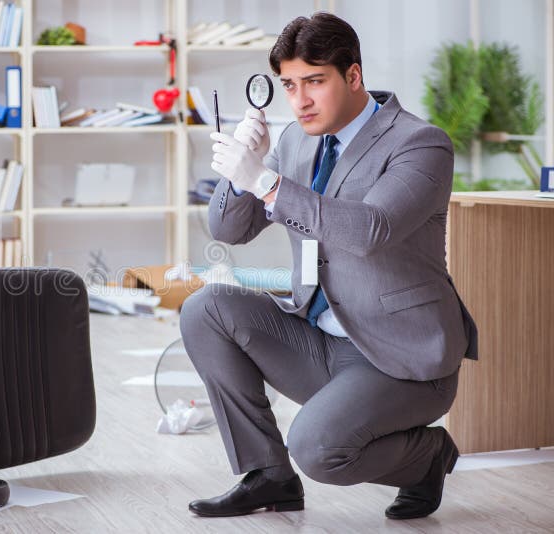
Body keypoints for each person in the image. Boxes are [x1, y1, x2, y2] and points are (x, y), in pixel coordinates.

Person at [180, 12, 478, 520]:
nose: (299, 101)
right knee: (204, 308)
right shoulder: (296, 141)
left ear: (353, 76)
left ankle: (427, 457)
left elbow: (370, 230)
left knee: (318, 449)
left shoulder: (420, 143)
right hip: (320, 340)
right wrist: (242, 168)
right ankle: (269, 476)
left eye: (314, 82)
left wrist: (268, 184)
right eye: (289, 85)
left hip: (403, 359)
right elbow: (230, 231)